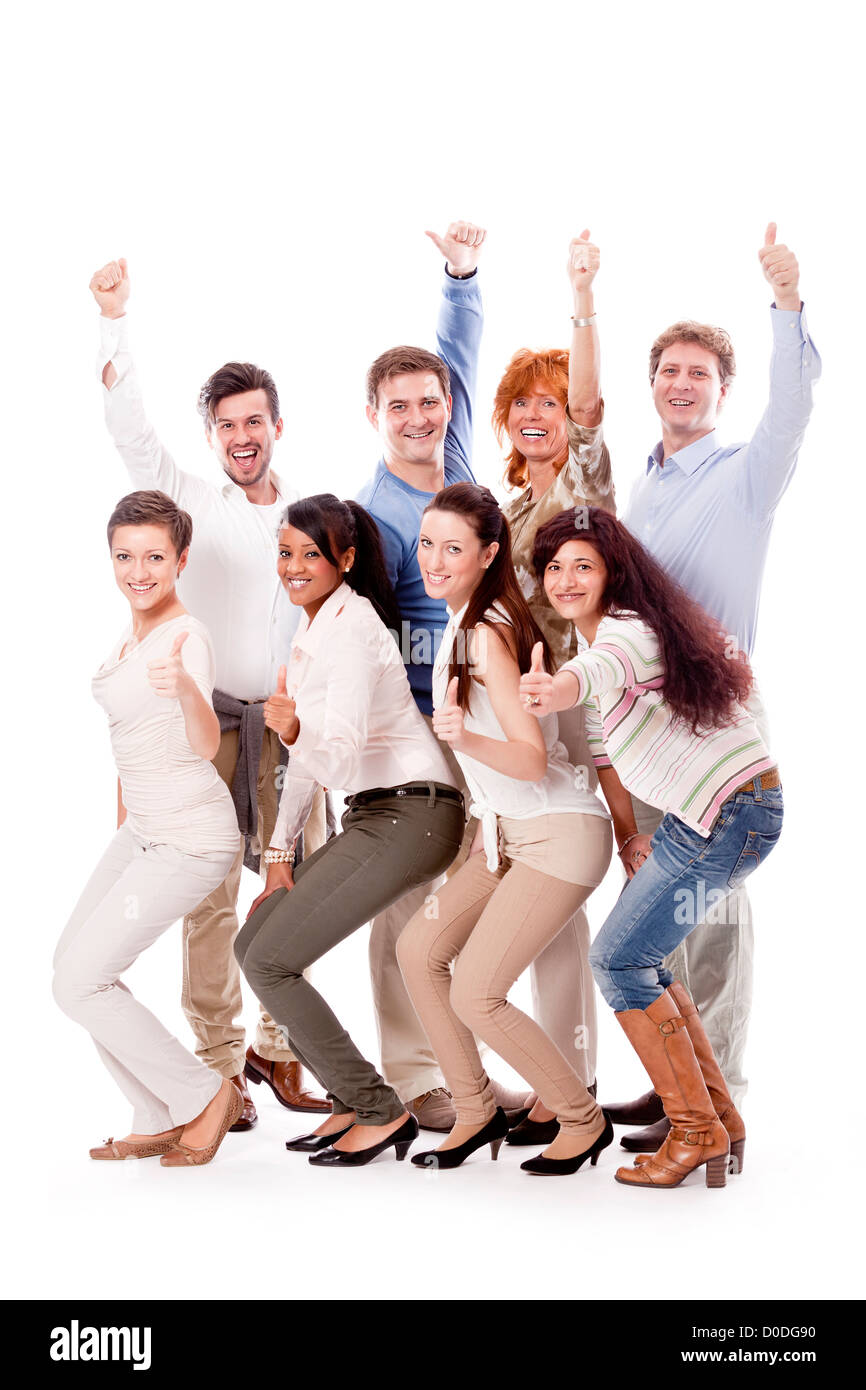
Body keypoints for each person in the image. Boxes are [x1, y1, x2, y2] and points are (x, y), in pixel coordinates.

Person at [580, 226, 819, 1153]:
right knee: (658, 901)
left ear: (722, 392)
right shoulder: (642, 487)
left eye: (699, 375)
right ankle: (679, 1079)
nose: (681, 384)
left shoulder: (746, 475)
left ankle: (724, 1096)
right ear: (655, 387)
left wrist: (787, 302)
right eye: (669, 372)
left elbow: (795, 410)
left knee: (711, 910)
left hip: (714, 723)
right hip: (645, 725)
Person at [90, 259, 329, 1128]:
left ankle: (278, 1044)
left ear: (275, 425)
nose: (241, 434)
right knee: (209, 893)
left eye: (254, 420)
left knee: (293, 884)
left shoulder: (312, 510)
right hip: (212, 724)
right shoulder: (190, 497)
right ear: (212, 434)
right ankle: (218, 1068)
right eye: (226, 423)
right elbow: (130, 434)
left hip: (288, 725)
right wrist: (114, 321)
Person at [520, 506, 782, 1189]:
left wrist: (556, 690)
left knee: (617, 960)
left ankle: (694, 1132)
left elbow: (598, 672)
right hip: (706, 817)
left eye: (583, 565)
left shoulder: (625, 633)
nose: (566, 578)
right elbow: (608, 754)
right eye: (553, 567)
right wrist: (632, 832)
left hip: (732, 813)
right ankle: (718, 1120)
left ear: (612, 573)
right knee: (642, 959)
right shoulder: (615, 639)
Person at [356, 222, 529, 1132]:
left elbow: (454, 349)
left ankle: (477, 1064)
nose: (421, 418)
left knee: (495, 884)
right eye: (401, 408)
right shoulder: (375, 515)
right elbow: (372, 641)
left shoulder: (455, 452)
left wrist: (460, 273)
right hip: (426, 726)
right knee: (412, 894)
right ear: (375, 418)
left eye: (432, 403)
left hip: (492, 708)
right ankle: (417, 1074)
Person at [234, 495, 466, 1166]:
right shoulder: (313, 632)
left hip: (416, 812)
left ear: (346, 559)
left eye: (312, 554)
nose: (295, 566)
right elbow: (306, 770)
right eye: (285, 553)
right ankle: (349, 1100)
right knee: (258, 944)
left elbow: (330, 753)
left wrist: (293, 727)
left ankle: (377, 1109)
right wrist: (278, 855)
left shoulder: (354, 628)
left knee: (271, 960)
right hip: (379, 812)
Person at [397, 484, 613, 1174]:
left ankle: (581, 1119)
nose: (434, 559)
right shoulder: (465, 621)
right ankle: (475, 1108)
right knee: (418, 948)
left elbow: (528, 758)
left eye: (453, 547)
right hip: (508, 838)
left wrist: (463, 737)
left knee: (476, 990)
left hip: (559, 835)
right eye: (427, 543)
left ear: (488, 554)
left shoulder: (486, 632)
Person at [53, 491, 243, 1166]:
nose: (139, 570)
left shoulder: (186, 639)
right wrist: (122, 834)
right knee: (71, 970)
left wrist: (190, 691)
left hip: (193, 837)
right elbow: (128, 739)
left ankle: (204, 1096)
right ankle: (155, 1111)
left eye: (155, 557)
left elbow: (199, 743)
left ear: (180, 560)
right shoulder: (132, 632)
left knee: (81, 980)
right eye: (125, 555)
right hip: (143, 831)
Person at [494, 231, 616, 1148]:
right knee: (540, 909)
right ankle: (557, 1078)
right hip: (510, 717)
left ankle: (572, 1085)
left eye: (548, 403)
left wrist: (579, 296)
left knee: (559, 905)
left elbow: (585, 401)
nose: (538, 414)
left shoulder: (578, 491)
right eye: (521, 405)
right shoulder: (498, 513)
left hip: (569, 711)